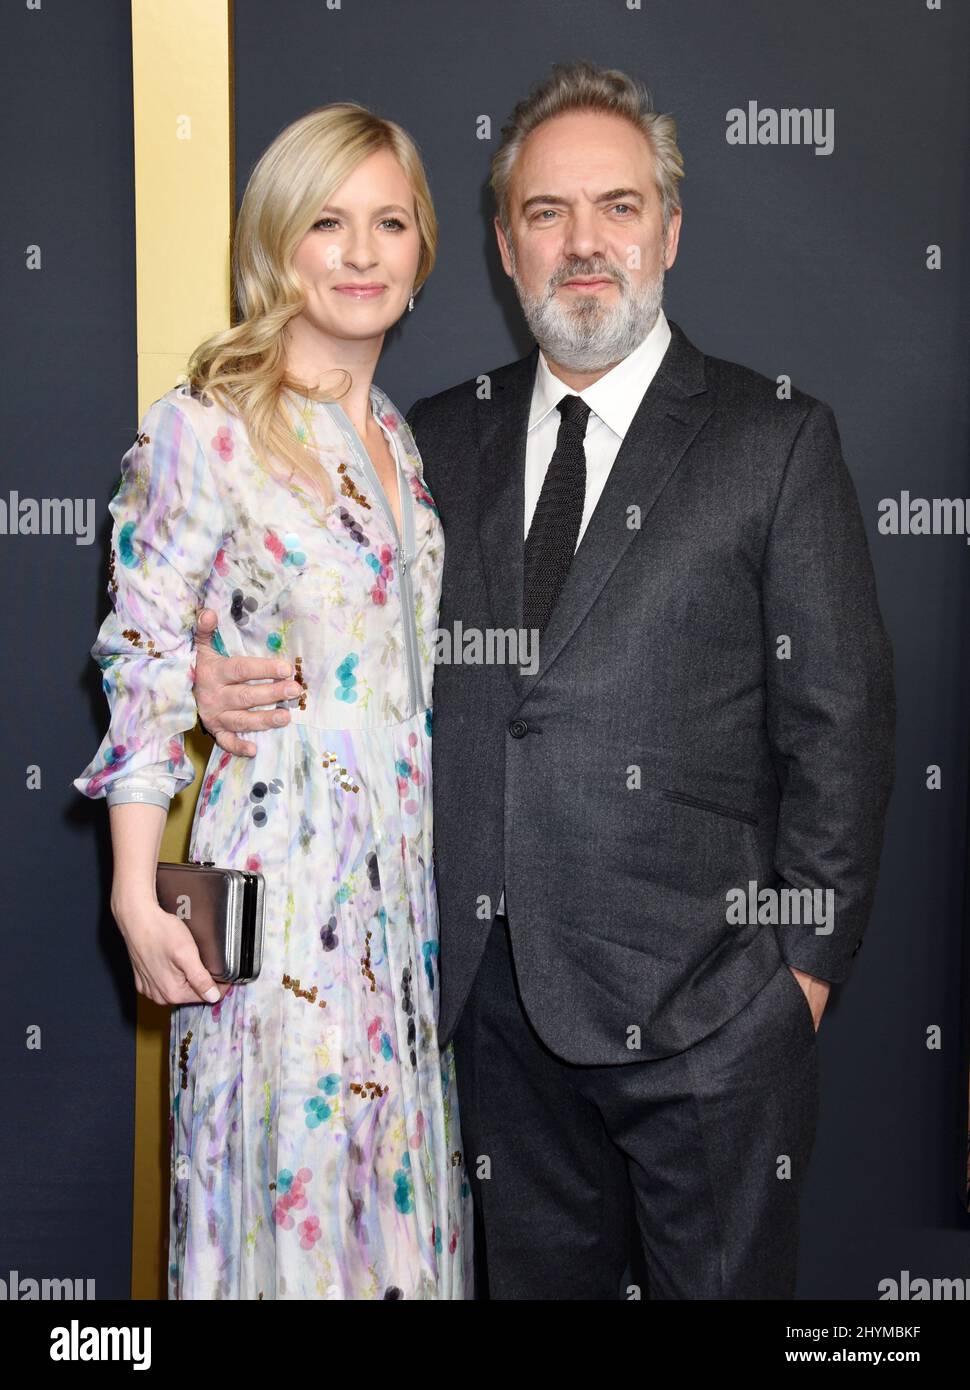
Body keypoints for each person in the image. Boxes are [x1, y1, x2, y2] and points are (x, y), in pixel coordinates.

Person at [192, 62, 896, 1300]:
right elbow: (341, 634)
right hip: (488, 1027)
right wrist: (211, 676)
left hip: (711, 1025)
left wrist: (797, 983)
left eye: (617, 208)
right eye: (545, 214)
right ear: (504, 249)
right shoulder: (427, 438)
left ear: (669, 231)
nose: (583, 245)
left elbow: (842, 726)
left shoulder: (773, 437)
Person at [73, 102, 472, 1300]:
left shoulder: (400, 441)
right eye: (327, 223)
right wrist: (134, 895)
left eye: (388, 222)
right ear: (275, 244)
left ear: (423, 248)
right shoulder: (208, 425)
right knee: (280, 1224)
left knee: (390, 1229)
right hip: (281, 901)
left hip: (398, 913)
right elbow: (139, 660)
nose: (360, 253)